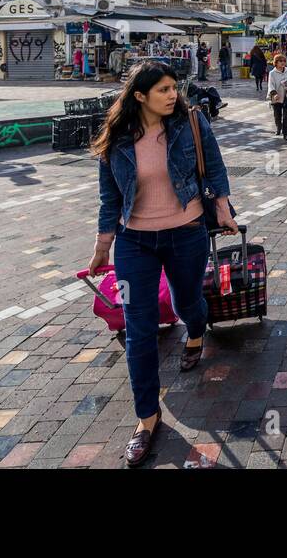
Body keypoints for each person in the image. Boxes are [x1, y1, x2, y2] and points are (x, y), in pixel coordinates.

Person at [87, 62, 237, 466]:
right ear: (140, 96)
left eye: (174, 88)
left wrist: (222, 210)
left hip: (186, 232)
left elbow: (217, 168)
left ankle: (195, 333)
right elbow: (109, 197)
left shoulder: (190, 122)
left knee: (187, 300)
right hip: (134, 241)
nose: (173, 95)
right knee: (139, 328)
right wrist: (103, 246)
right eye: (163, 90)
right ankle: (146, 418)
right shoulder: (117, 136)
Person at [267, 51, 287, 142]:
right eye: (280, 61)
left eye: (284, 61)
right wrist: (274, 94)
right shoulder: (272, 73)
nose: (282, 62)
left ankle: (286, 134)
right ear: (276, 62)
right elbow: (271, 85)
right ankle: (278, 127)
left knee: (286, 115)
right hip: (276, 97)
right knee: (277, 115)